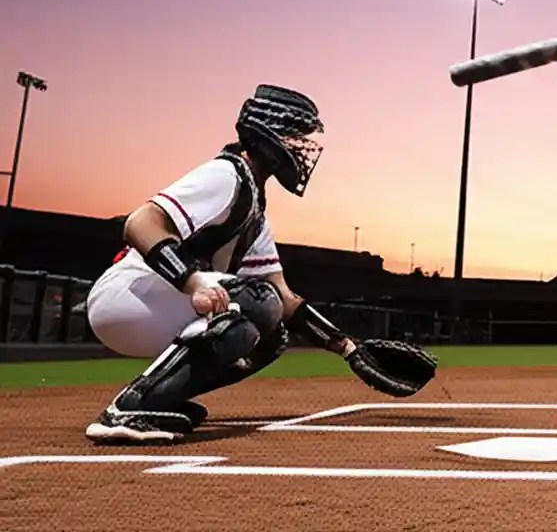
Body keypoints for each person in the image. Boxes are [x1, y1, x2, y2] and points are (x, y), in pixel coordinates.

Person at [83, 84, 436, 444]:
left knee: (271, 332)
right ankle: (131, 406)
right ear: (268, 133)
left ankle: (162, 396)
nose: (302, 151)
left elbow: (284, 298)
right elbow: (139, 223)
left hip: (154, 306)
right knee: (257, 302)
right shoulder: (226, 174)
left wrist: (346, 347)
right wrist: (194, 281)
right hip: (127, 295)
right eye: (295, 139)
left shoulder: (255, 214)